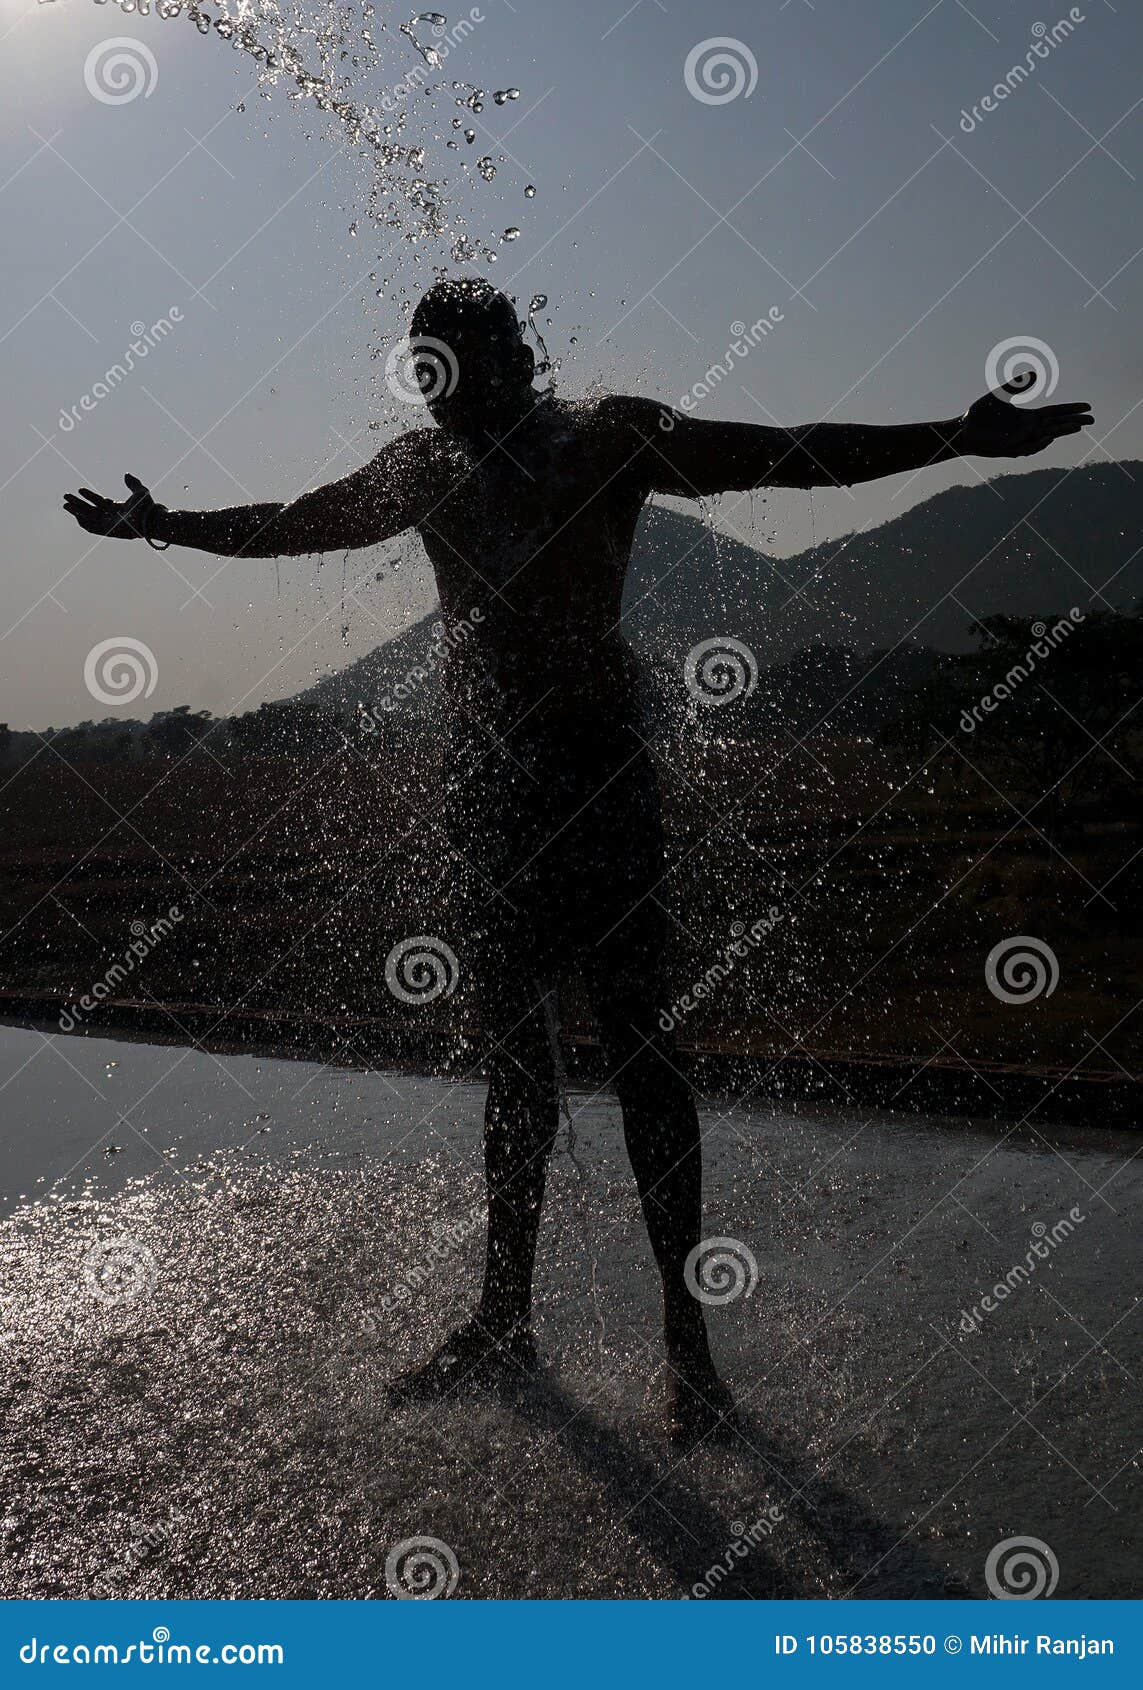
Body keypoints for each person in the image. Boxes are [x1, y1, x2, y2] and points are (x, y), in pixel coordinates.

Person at [64, 277, 1093, 1437]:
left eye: (461, 367)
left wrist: (958, 435)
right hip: (490, 786)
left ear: (516, 360)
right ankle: (505, 1318)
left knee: (643, 1047)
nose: (444, 393)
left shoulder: (608, 441)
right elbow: (294, 524)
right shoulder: (425, 469)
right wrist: (163, 522)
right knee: (516, 1062)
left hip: (599, 773)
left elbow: (790, 457)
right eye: (428, 374)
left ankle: (688, 1348)